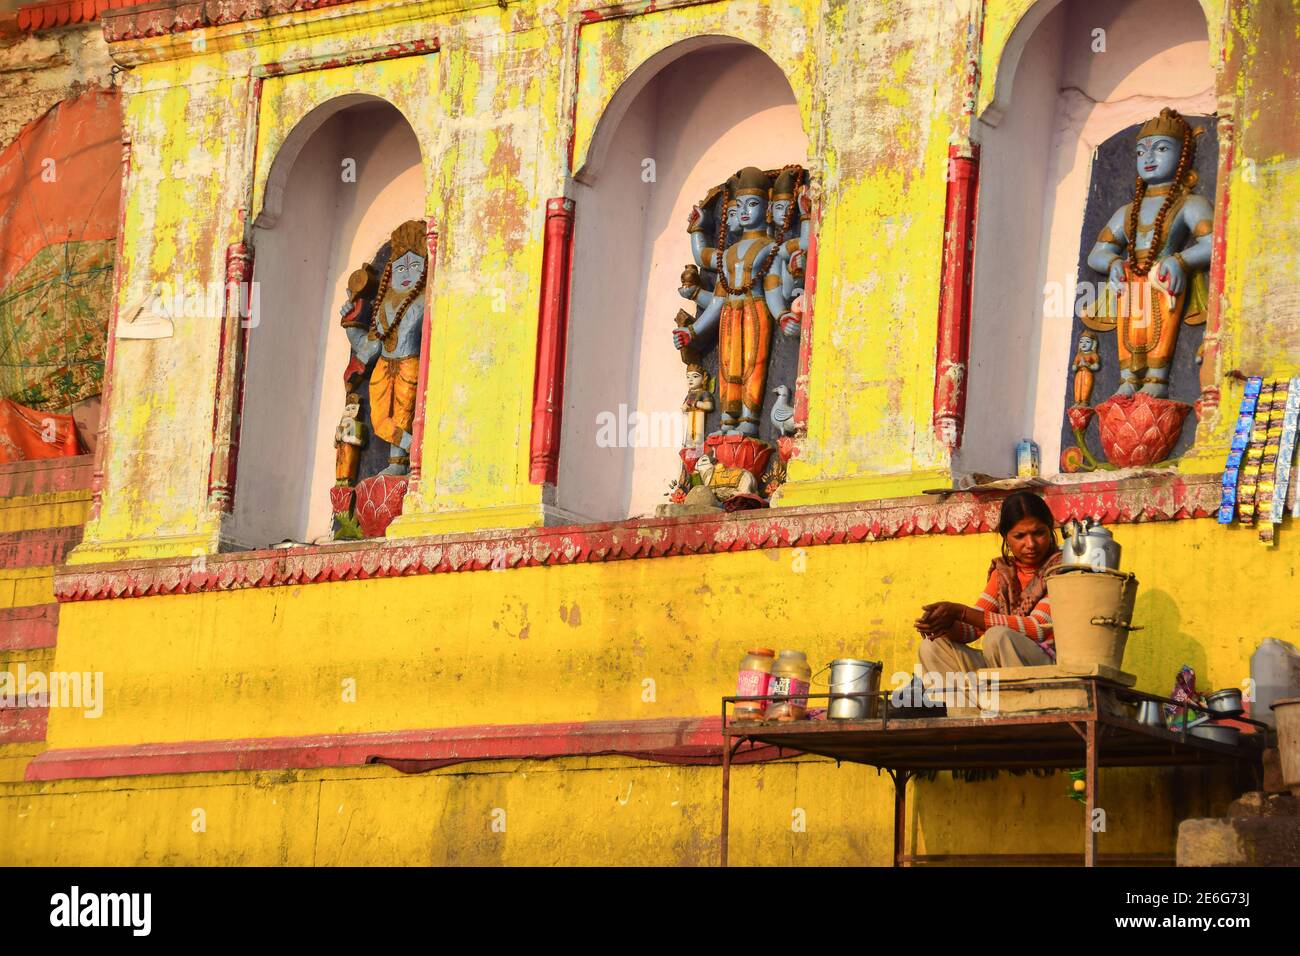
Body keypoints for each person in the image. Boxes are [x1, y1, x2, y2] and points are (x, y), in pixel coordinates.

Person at [915, 490, 1063, 681]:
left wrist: (961, 612)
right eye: (1020, 536)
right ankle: (966, 702)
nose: (1031, 544)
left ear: (1050, 529)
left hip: (1050, 663)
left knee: (997, 637)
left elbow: (1038, 628)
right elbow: (973, 629)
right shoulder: (1003, 573)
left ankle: (1018, 699)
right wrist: (943, 624)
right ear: (1006, 537)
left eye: (1039, 533)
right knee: (932, 647)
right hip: (1003, 664)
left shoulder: (1063, 568)